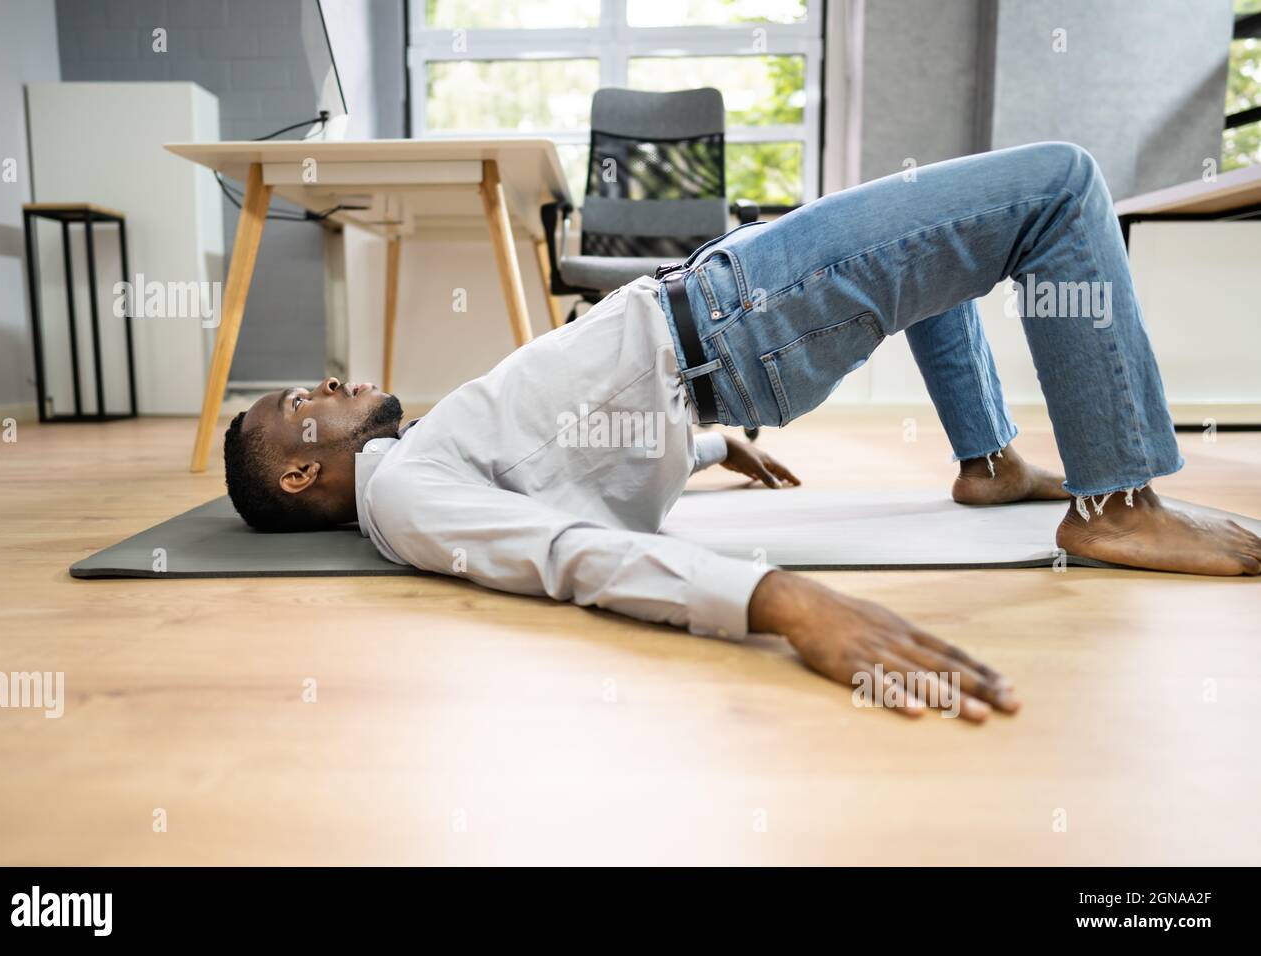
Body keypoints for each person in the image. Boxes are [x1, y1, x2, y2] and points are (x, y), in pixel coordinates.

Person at [222, 142, 1261, 722]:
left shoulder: (420, 466)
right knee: (1061, 186)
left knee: (948, 233)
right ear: (306, 464)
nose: (322, 382)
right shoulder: (404, 499)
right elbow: (566, 555)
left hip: (722, 330)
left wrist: (714, 448)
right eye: (299, 404)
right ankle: (1118, 502)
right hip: (737, 315)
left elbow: (570, 459)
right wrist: (781, 599)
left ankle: (989, 463)